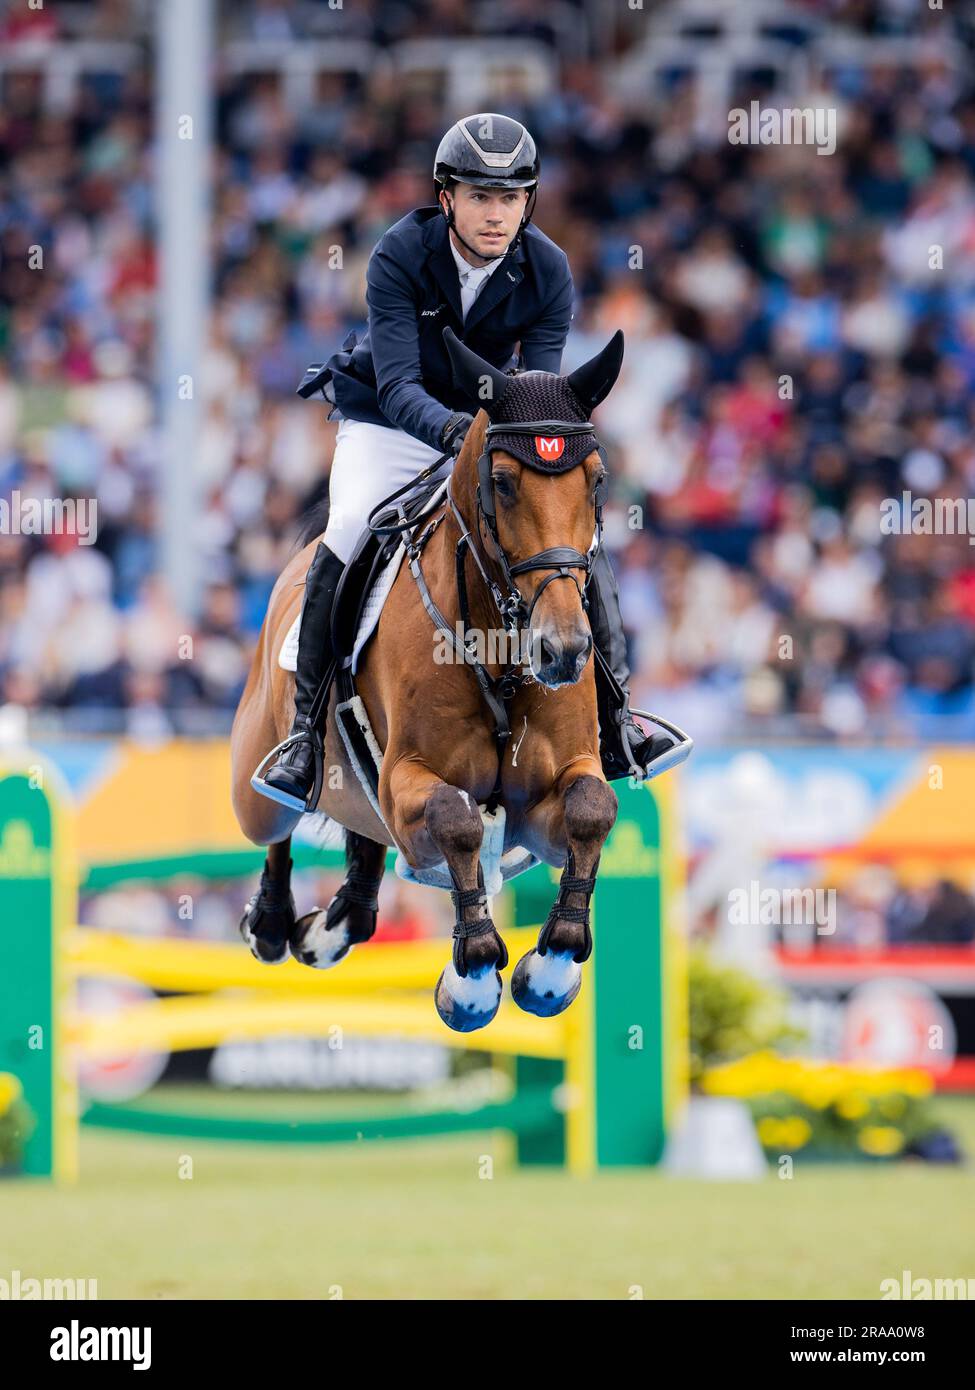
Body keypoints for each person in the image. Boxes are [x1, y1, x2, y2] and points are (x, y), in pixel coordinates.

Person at [257, 113, 687, 811]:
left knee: (580, 542)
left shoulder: (545, 268)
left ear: (529, 201)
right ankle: (304, 736)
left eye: (510, 197)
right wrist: (467, 436)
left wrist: (503, 444)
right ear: (446, 197)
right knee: (348, 526)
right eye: (479, 196)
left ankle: (617, 721)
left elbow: (540, 394)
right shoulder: (400, 254)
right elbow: (399, 386)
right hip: (390, 422)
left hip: (491, 431)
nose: (495, 214)